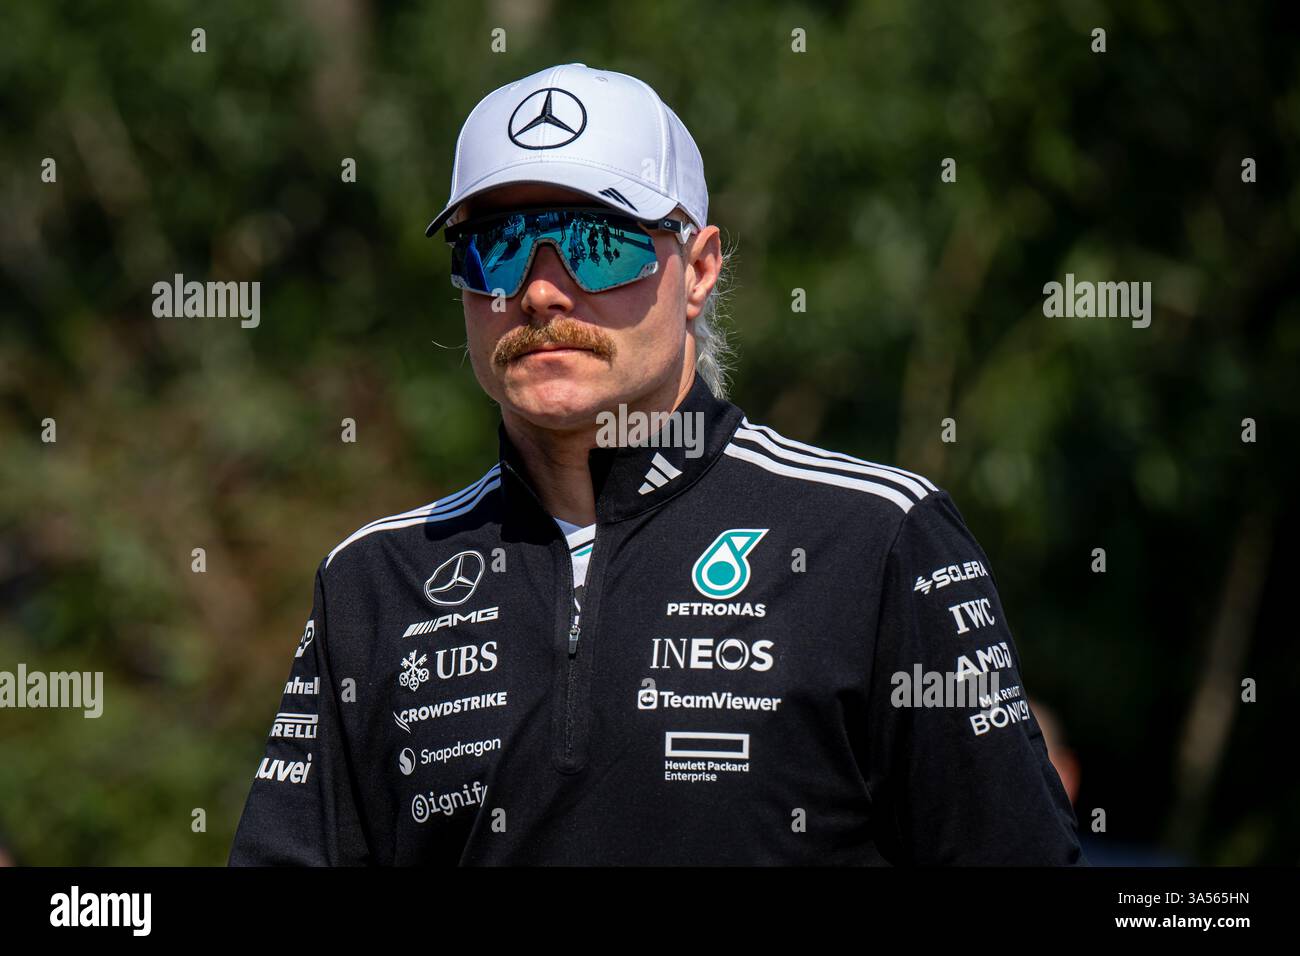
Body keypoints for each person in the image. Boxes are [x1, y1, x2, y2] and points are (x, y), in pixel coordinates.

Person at [229, 62, 1084, 865]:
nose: (540, 291)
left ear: (700, 267)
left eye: (598, 242)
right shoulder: (372, 583)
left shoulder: (877, 539)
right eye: (496, 245)